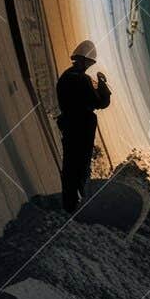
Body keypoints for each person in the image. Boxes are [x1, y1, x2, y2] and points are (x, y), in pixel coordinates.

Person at [55, 40, 111, 212]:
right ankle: (76, 204)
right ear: (86, 62)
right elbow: (101, 102)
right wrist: (102, 83)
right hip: (82, 129)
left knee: (70, 164)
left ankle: (69, 203)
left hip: (69, 126)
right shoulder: (82, 80)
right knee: (80, 166)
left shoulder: (65, 77)